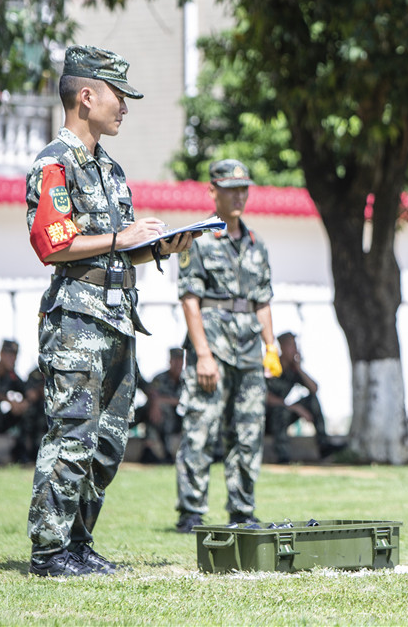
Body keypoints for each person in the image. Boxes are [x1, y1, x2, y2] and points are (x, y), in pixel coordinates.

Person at [25, 45, 194, 577]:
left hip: (118, 317)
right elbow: (52, 244)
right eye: (119, 95)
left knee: (108, 443)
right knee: (72, 434)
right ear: (87, 95)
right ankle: (50, 553)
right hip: (76, 320)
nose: (125, 107)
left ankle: (78, 543)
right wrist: (123, 236)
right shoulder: (55, 163)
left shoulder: (109, 168)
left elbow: (116, 245)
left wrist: (161, 247)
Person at [175, 159, 280, 534]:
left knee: (249, 432)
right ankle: (191, 512)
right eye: (231, 189)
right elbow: (190, 299)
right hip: (214, 349)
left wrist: (272, 346)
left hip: (251, 350)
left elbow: (262, 299)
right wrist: (202, 354)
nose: (239, 196)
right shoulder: (198, 240)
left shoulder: (256, 244)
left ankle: (242, 508)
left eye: (243, 189)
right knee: (201, 429)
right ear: (213, 191)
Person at [265, 331, 335, 463]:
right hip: (266, 418)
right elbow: (264, 396)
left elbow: (314, 389)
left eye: (295, 345)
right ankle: (283, 456)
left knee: (311, 400)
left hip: (284, 414)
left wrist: (299, 368)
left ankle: (323, 445)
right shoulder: (272, 367)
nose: (295, 349)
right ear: (282, 347)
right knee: (282, 410)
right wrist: (295, 408)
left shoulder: (293, 371)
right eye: (291, 345)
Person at [141, 348, 185, 464]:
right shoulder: (160, 378)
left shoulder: (185, 381)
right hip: (162, 421)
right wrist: (156, 403)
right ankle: (152, 449)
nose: (177, 365)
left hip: (180, 420)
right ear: (170, 361)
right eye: (175, 361)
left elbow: (185, 401)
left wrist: (161, 400)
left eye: (180, 361)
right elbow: (151, 394)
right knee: (155, 409)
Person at [11, 368, 47, 465]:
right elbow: (30, 393)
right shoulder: (36, 373)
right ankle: (23, 449)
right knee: (30, 409)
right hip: (37, 417)